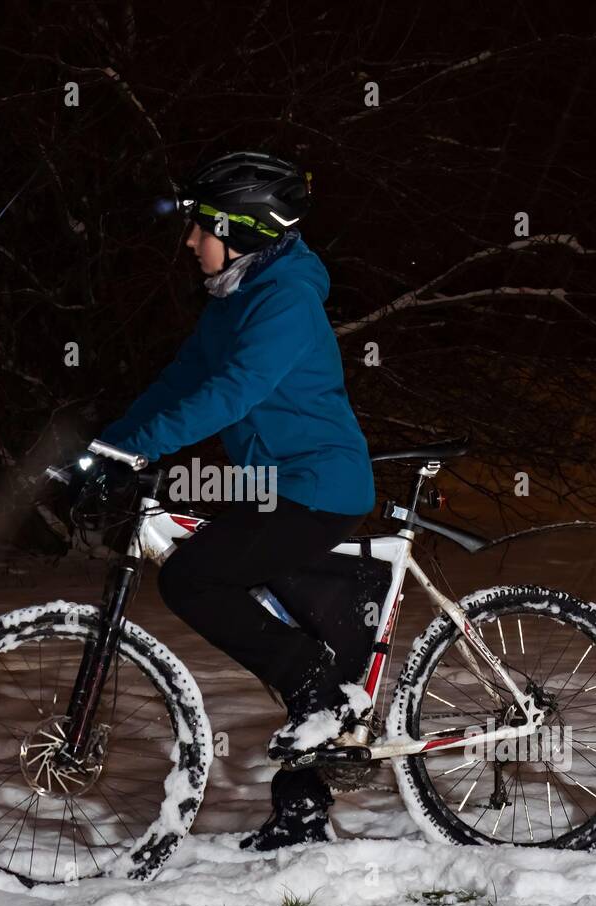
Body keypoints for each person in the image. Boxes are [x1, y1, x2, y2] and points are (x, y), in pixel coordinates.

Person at [95, 151, 376, 850]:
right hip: (275, 487)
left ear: (240, 228)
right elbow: (183, 379)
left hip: (316, 490)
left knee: (193, 575)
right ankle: (304, 809)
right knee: (291, 631)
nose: (189, 241)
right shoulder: (237, 296)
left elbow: (231, 394)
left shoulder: (283, 300)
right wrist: (110, 447)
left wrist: (146, 450)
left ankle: (314, 683)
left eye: (199, 227)